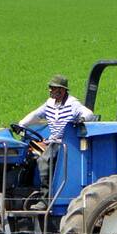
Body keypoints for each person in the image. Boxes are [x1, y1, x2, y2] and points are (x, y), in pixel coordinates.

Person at [17, 75, 96, 204]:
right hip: (52, 141)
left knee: (44, 160)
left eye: (53, 88)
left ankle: (46, 200)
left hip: (64, 142)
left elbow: (88, 114)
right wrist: (21, 124)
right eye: (50, 88)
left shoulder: (72, 104)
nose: (50, 90)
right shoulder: (50, 103)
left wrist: (82, 119)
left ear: (62, 90)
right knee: (28, 157)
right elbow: (36, 114)